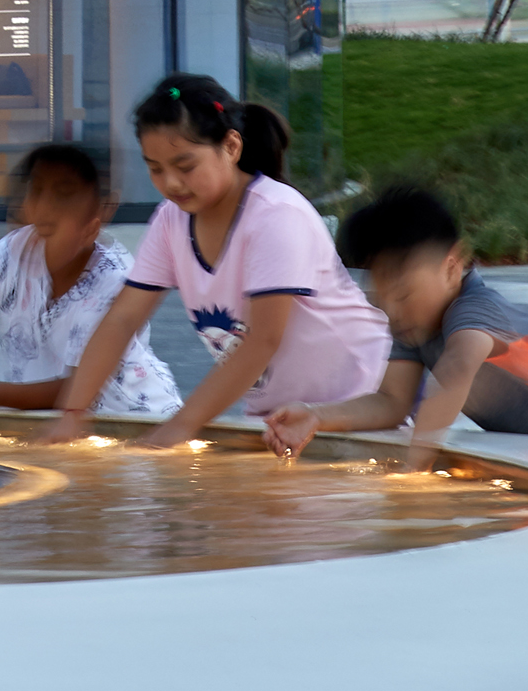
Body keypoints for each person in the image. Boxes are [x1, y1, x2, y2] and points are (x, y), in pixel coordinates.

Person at [43, 75, 388, 449]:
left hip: (361, 405)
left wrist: (179, 427)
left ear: (231, 146)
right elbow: (122, 318)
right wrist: (72, 415)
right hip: (279, 417)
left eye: (185, 165)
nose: (171, 182)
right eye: (155, 168)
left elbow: (262, 340)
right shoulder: (169, 220)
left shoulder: (277, 215)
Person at [262, 183, 528, 466]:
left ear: (454, 265)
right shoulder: (415, 326)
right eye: (380, 296)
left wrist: (412, 472)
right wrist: (316, 416)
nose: (392, 310)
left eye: (404, 293)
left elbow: (455, 373)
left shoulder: (478, 309)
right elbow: (391, 403)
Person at [0, 142, 182, 427]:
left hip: (135, 422)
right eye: (36, 190)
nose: (43, 208)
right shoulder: (14, 250)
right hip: (47, 424)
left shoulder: (116, 279)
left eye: (63, 195)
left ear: (100, 212)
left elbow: (80, 387)